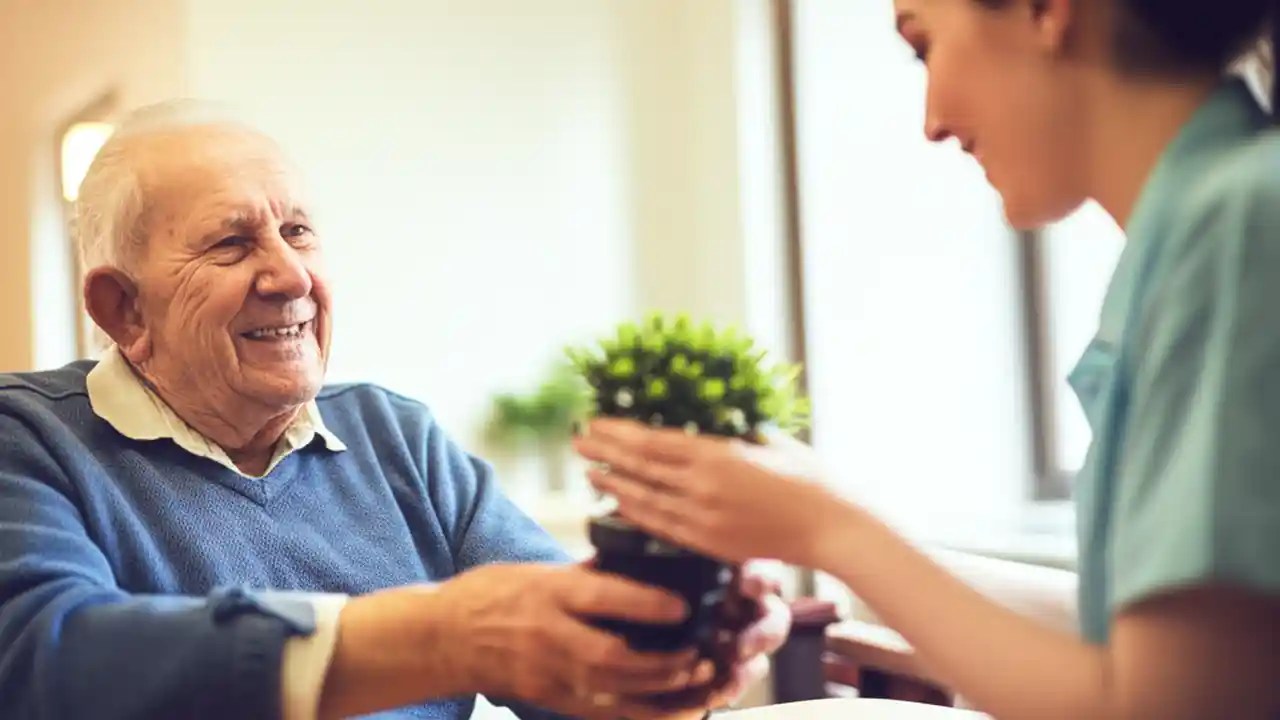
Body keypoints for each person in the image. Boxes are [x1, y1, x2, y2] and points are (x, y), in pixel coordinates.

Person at [575, 0, 1280, 718]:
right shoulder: (1207, 226)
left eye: (924, 47)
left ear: (1047, 11)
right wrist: (827, 519)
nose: (931, 122)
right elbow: (1137, 646)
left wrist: (829, 527)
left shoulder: (1237, 226)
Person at [0, 103, 788, 720]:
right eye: (231, 245)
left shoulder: (396, 438)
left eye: (298, 231)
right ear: (123, 308)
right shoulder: (28, 439)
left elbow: (573, 676)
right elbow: (50, 666)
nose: (290, 276)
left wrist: (675, 649)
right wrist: (447, 636)